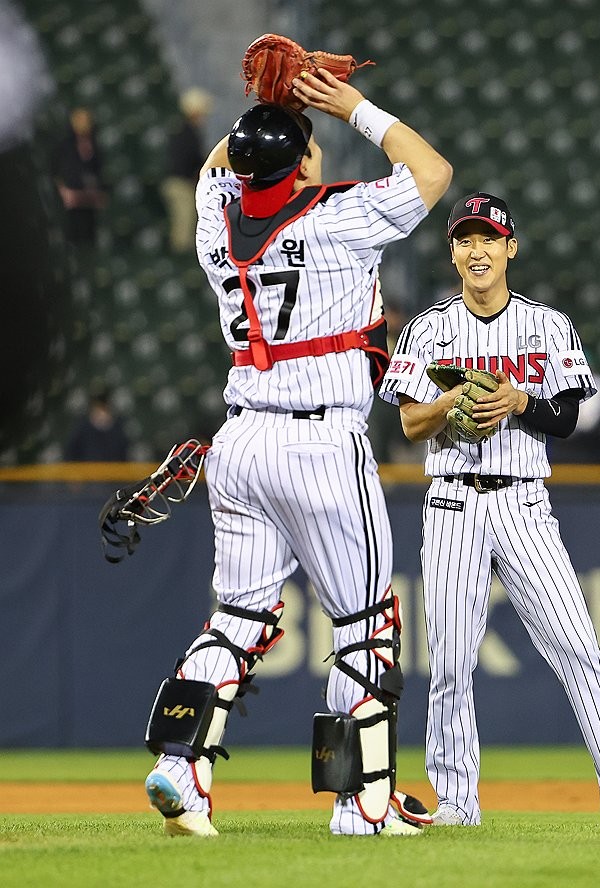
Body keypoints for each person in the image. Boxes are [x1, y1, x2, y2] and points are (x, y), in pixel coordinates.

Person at [141, 68, 453, 838]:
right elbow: (434, 172)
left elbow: (220, 167)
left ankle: (180, 767)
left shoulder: (216, 220)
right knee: (367, 623)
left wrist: (263, 114)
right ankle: (362, 803)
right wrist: (350, 106)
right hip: (319, 438)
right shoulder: (340, 216)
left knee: (238, 616)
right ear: (306, 163)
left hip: (240, 440)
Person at [378, 191, 600, 828]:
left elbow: (567, 418)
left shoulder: (547, 325)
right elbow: (408, 423)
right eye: (465, 239)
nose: (477, 249)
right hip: (453, 501)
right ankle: (458, 803)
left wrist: (515, 402)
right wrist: (452, 403)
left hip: (522, 501)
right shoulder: (427, 328)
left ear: (510, 247)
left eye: (488, 238)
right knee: (453, 660)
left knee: (578, 647)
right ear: (453, 253)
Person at [161, 88, 212, 253]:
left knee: (185, 225)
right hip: (180, 183)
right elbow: (192, 159)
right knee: (183, 226)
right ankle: (180, 262)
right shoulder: (187, 132)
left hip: (178, 182)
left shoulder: (183, 130)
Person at [53, 106, 106, 248]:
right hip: (71, 205)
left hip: (89, 204)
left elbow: (100, 179)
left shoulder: (96, 146)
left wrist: (90, 196)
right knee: (73, 237)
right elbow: (55, 173)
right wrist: (64, 192)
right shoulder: (65, 146)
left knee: (90, 237)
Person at [64, 388, 129, 461]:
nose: (101, 414)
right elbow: (70, 454)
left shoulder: (118, 428)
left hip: (112, 470)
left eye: (104, 409)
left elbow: (124, 456)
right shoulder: (82, 428)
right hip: (86, 470)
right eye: (97, 409)